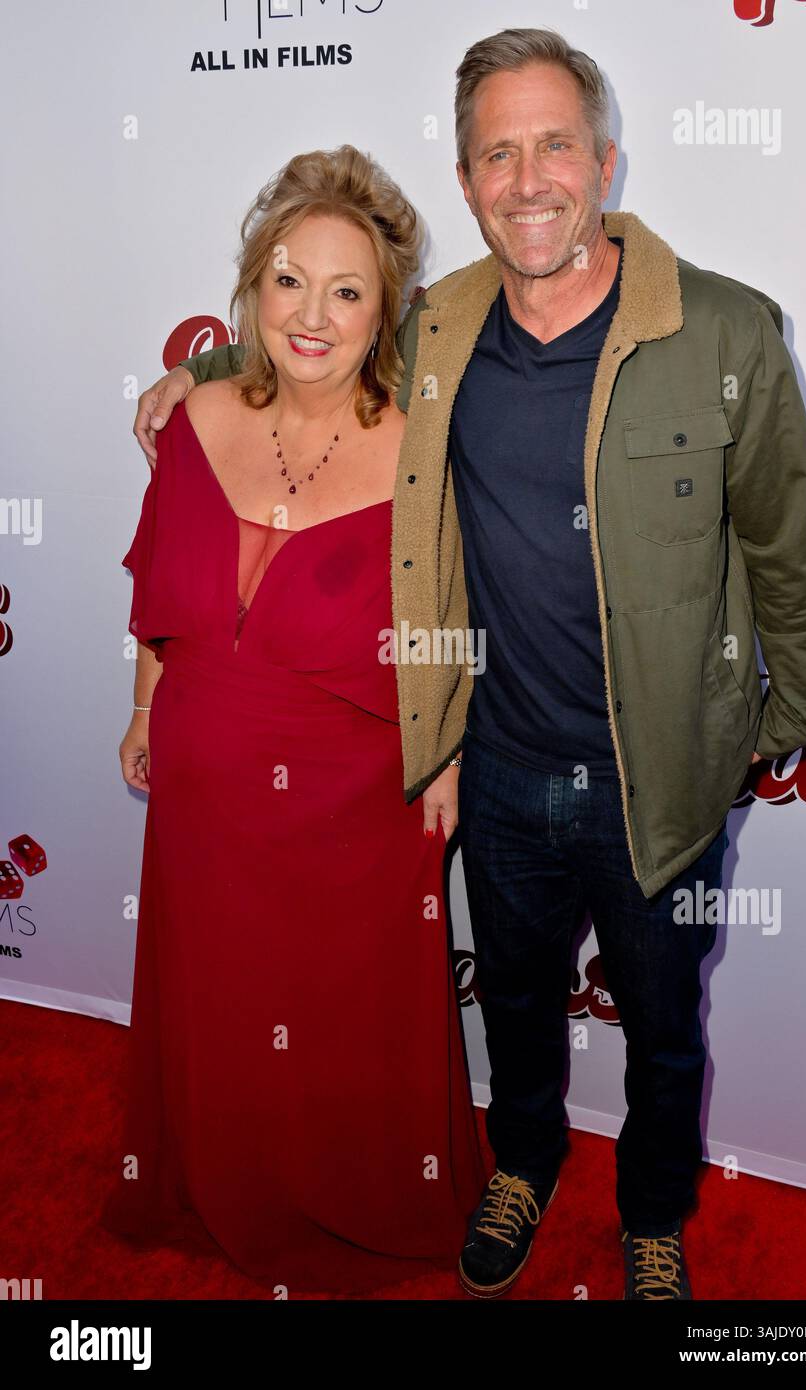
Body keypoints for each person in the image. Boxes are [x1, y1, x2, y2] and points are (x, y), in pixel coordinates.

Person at [134, 30, 806, 1301]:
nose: (529, 179)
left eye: (555, 144)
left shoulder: (727, 329)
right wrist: (193, 374)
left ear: (606, 161)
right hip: (500, 766)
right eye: (498, 153)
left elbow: (791, 550)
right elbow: (306, 347)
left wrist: (767, 730)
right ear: (466, 181)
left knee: (665, 1031)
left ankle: (655, 1213)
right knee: (513, 1004)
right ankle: (521, 1163)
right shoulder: (441, 327)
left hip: (659, 782)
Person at [103, 144, 486, 1297]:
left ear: (389, 311)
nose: (311, 314)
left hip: (352, 790)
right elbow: (159, 592)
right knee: (217, 991)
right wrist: (141, 708)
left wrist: (445, 752)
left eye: (346, 290)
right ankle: (215, 1178)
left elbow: (451, 609)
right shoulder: (192, 413)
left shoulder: (427, 445)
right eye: (287, 280)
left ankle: (353, 1195)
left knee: (341, 1007)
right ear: (250, 290)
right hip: (207, 774)